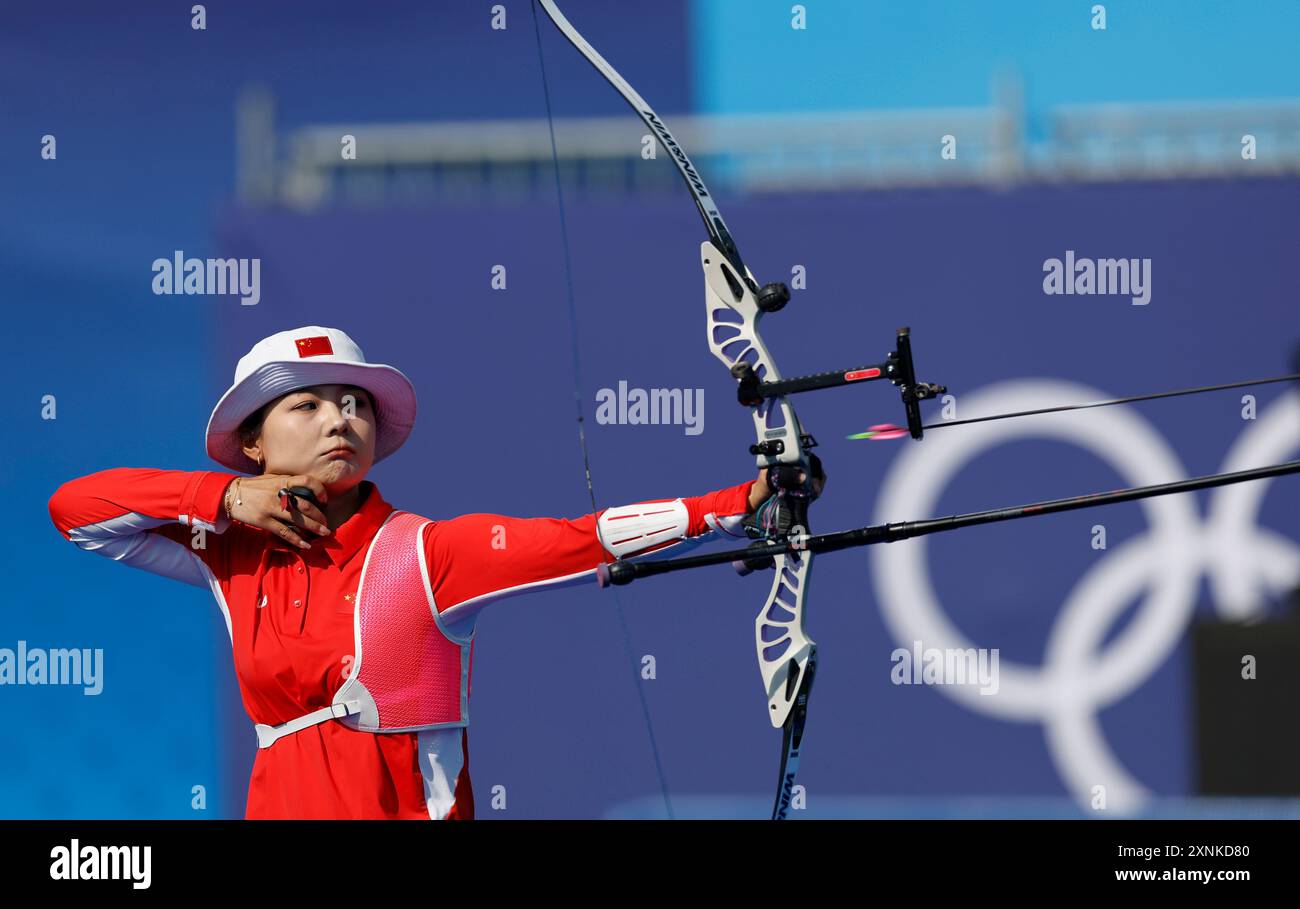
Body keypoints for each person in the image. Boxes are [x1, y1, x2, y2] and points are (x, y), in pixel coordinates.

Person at [47, 325, 823, 820]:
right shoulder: (228, 552)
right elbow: (75, 510)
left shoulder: (428, 553)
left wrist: (743, 501)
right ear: (253, 442)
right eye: (306, 406)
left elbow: (584, 539)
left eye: (353, 404)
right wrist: (222, 497)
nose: (339, 419)